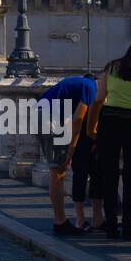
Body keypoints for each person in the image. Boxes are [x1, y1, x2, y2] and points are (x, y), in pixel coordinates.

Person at [89, 40, 131, 240]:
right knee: (130, 177)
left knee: (109, 176)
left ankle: (111, 226)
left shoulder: (111, 67)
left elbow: (100, 97)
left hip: (109, 122)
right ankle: (128, 227)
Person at [35, 73, 98, 236]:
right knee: (58, 172)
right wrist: (72, 147)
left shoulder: (78, 83)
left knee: (56, 170)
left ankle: (60, 220)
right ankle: (60, 222)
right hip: (52, 118)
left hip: (42, 113)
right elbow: (78, 118)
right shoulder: (91, 87)